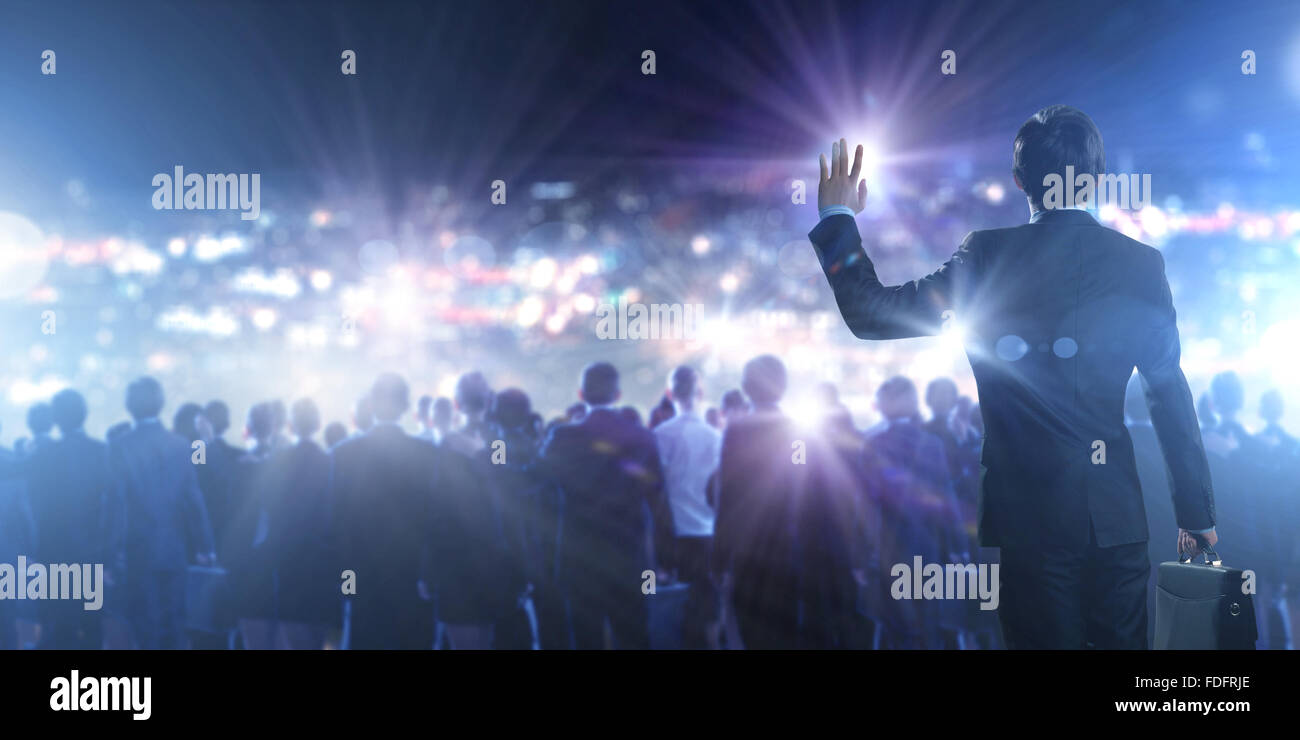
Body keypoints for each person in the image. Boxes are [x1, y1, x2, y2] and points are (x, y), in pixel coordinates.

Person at [811, 106, 1216, 649]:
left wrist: (839, 216)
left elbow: (871, 314)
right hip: (1115, 522)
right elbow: (1169, 395)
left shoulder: (986, 256)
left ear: (1019, 179)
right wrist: (1196, 513)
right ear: (1095, 178)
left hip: (1029, 524)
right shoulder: (1141, 264)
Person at [536, 362, 672, 649]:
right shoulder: (641, 436)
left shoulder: (562, 438)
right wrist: (660, 562)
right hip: (630, 557)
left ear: (581, 394)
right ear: (618, 394)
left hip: (579, 558)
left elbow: (540, 486)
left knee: (587, 640)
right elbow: (657, 497)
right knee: (636, 635)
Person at [330, 373, 437, 649]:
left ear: (371, 405)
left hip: (360, 573)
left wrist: (345, 582)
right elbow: (434, 520)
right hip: (411, 575)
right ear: (405, 407)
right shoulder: (427, 453)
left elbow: (336, 521)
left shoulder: (343, 453)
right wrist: (428, 574)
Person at [110, 376, 216, 649]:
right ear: (160, 404)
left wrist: (108, 555)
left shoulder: (120, 446)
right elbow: (193, 498)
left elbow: (114, 504)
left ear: (128, 405)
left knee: (143, 628)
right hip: (173, 550)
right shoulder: (181, 445)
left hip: (136, 552)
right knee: (175, 625)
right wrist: (205, 545)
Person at [427, 371, 515, 649]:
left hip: (456, 558)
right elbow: (505, 491)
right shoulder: (499, 441)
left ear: (456, 404)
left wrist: (428, 569)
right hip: (492, 557)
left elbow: (437, 507)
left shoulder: (448, 445)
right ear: (489, 402)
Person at [26, 390, 118, 649]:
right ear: (85, 414)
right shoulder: (102, 452)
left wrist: (35, 552)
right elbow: (113, 508)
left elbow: (36, 508)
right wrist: (108, 558)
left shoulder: (43, 455)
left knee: (56, 628)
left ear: (55, 419)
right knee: (91, 629)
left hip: (53, 556)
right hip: (92, 556)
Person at [652, 366, 722, 648]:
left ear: (670, 394)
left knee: (668, 605)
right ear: (701, 392)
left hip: (671, 535)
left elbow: (655, 491)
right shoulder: (715, 437)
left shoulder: (659, 435)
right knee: (706, 607)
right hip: (707, 533)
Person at [266, 399, 336, 649]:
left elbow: (270, 509)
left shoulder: (280, 461)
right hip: (322, 560)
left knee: (291, 631)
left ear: (290, 425)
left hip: (288, 559)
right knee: (317, 633)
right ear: (318, 424)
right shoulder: (329, 461)